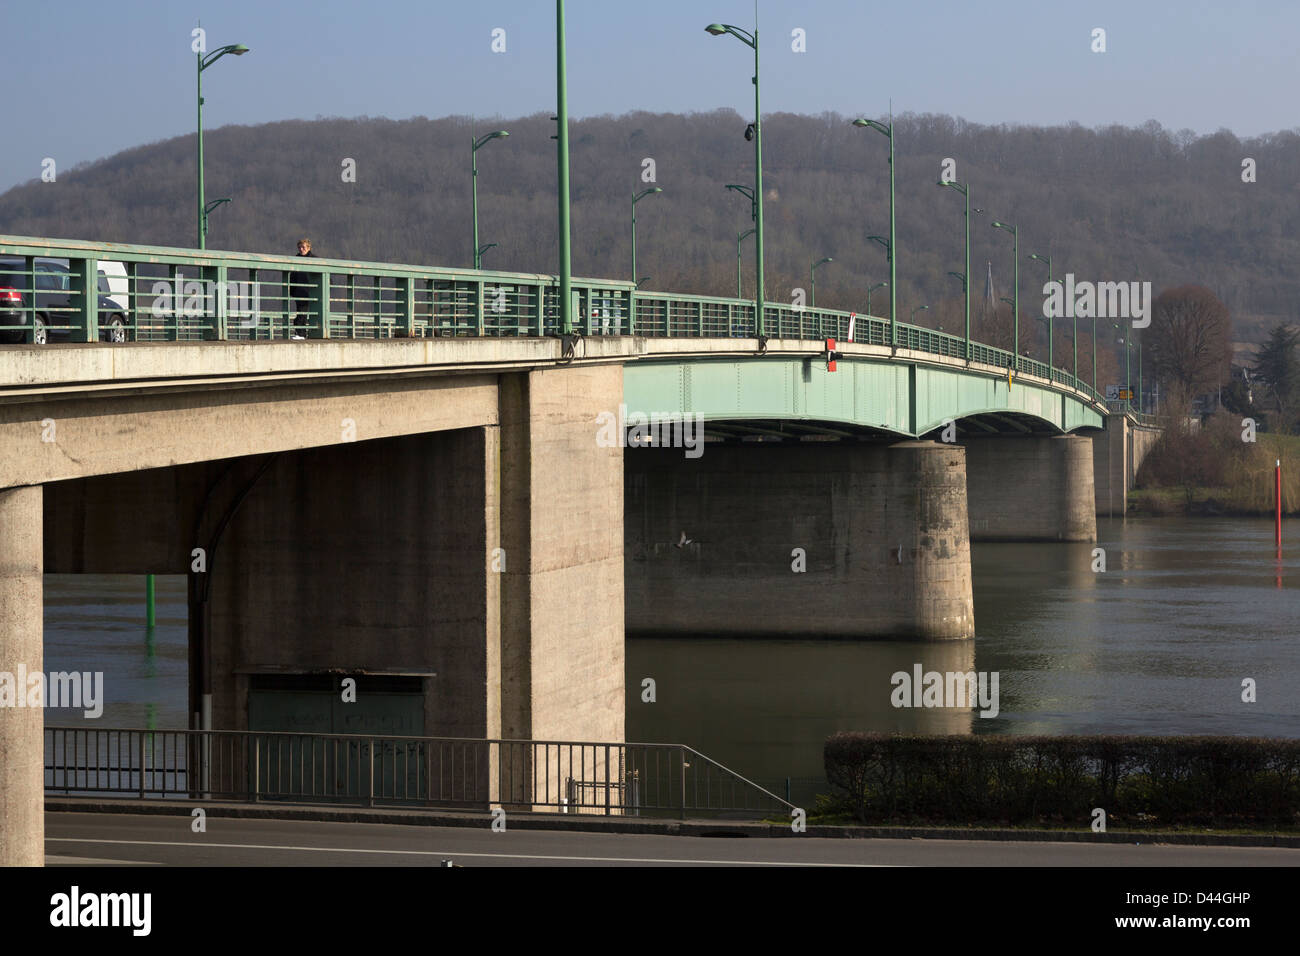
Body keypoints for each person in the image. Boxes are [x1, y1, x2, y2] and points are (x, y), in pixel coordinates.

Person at [289, 238, 317, 339]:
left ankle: (301, 334)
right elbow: (292, 276)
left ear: (309, 248)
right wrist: (291, 290)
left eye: (303, 247)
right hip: (299, 291)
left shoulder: (314, 259)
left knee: (304, 313)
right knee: (301, 312)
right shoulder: (295, 259)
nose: (301, 249)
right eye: (300, 247)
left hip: (311, 291)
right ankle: (301, 333)